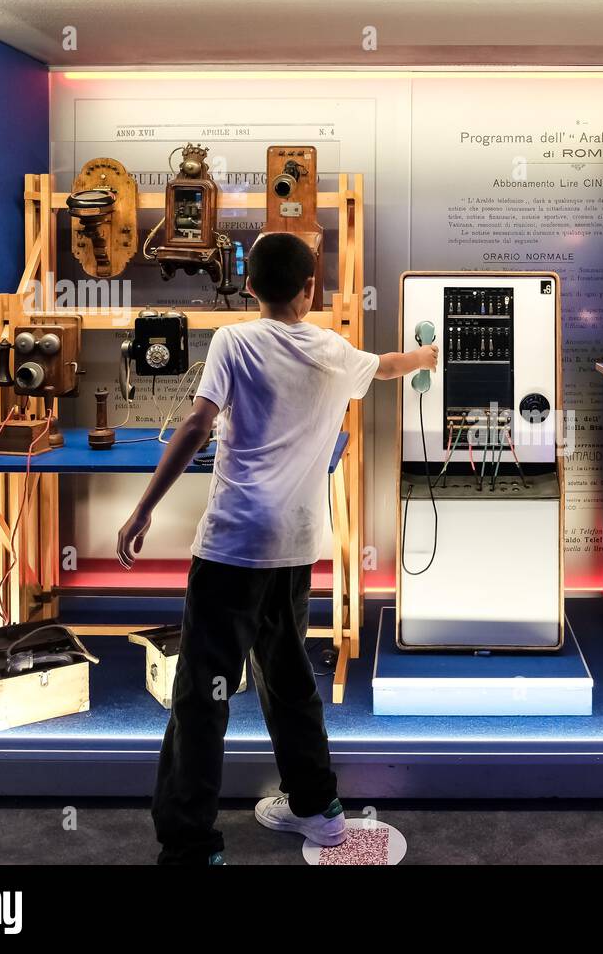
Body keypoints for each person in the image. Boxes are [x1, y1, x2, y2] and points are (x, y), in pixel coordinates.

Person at [116, 232, 437, 865]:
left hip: (232, 547)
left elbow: (196, 424)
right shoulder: (334, 351)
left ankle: (189, 845)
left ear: (251, 287)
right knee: (289, 679)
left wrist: (144, 507)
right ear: (310, 289)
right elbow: (390, 364)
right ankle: (319, 811)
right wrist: (428, 355)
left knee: (203, 695)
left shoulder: (235, 341)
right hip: (293, 549)